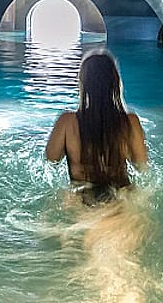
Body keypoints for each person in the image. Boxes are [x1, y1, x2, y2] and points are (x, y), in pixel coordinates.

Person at [46, 50, 148, 204]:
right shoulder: (130, 122)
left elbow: (51, 159)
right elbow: (141, 165)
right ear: (115, 83)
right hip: (121, 196)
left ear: (83, 84)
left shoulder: (66, 122)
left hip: (81, 196)